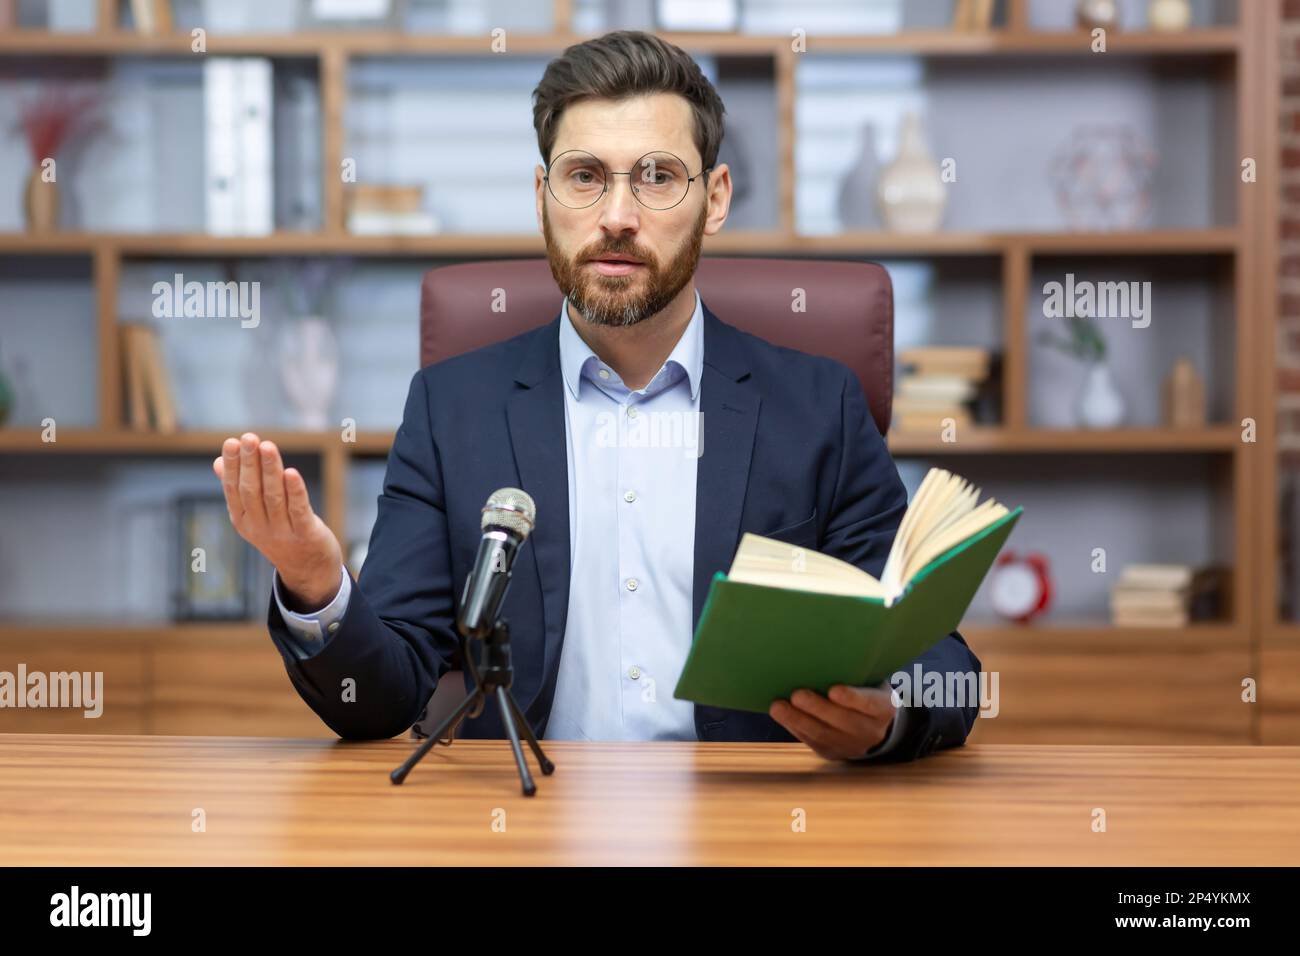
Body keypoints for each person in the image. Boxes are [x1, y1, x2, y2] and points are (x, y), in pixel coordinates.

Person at [213, 30, 979, 762]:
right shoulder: (452, 412)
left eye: (656, 177)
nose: (617, 216)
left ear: (714, 198)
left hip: (755, 829)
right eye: (586, 177)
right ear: (543, 196)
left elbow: (941, 660)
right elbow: (381, 699)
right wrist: (317, 587)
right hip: (522, 823)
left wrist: (889, 720)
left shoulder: (819, 408)